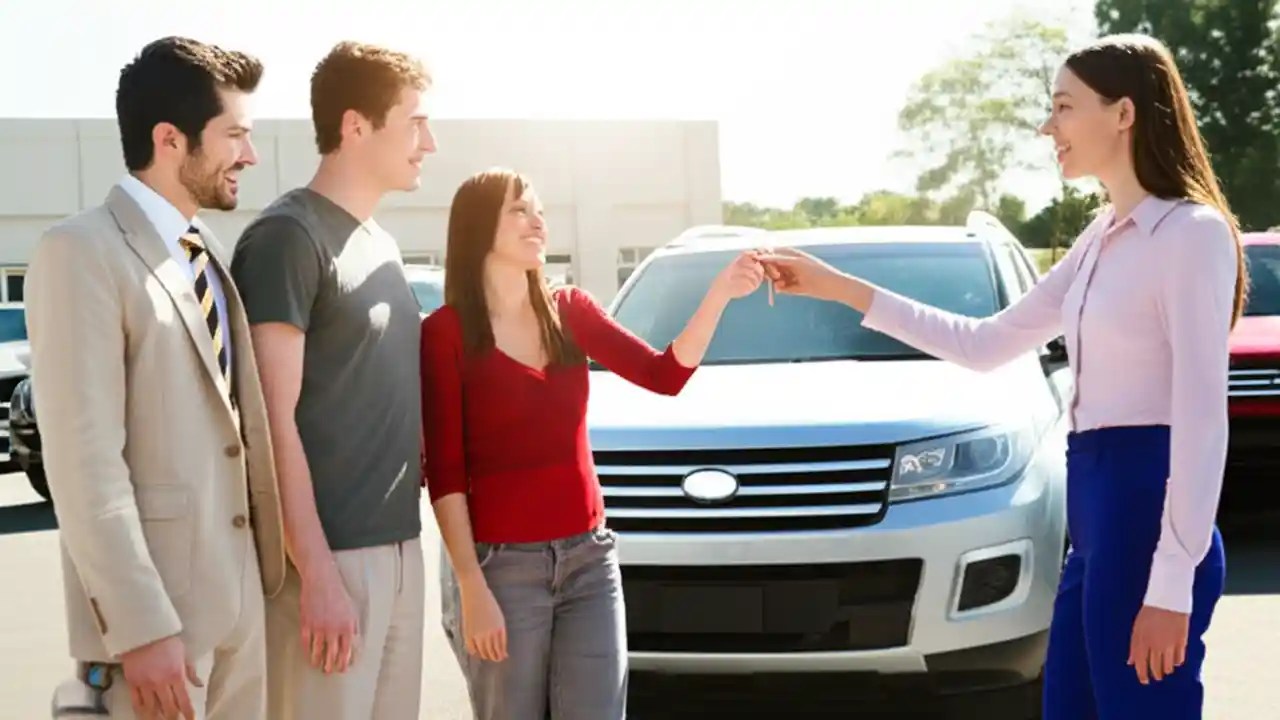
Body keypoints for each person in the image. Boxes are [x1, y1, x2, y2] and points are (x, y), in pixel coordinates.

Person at [758, 33, 1245, 720]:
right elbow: (984, 343)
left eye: (1064, 107)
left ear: (1124, 113)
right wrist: (839, 288)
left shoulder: (1190, 235)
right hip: (1096, 530)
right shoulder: (1101, 238)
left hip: (1150, 522)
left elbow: (1201, 420)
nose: (1049, 127)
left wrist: (1172, 583)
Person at [421, 168, 765, 720]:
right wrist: (471, 587)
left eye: (539, 210)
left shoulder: (570, 311)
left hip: (588, 559)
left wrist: (720, 294)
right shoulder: (445, 334)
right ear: (479, 227)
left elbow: (665, 375)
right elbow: (444, 473)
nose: (538, 222)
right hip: (502, 569)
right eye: (520, 210)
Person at [28, 36, 286, 719]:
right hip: (156, 636)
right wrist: (139, 626)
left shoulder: (209, 254)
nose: (250, 156)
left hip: (238, 620)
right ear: (171, 139)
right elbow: (85, 464)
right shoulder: (77, 251)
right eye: (235, 135)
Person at [228, 41, 434, 720]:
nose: (428, 142)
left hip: (401, 550)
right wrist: (314, 571)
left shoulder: (381, 244)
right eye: (414, 122)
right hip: (330, 562)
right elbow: (268, 420)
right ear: (355, 126)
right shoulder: (287, 238)